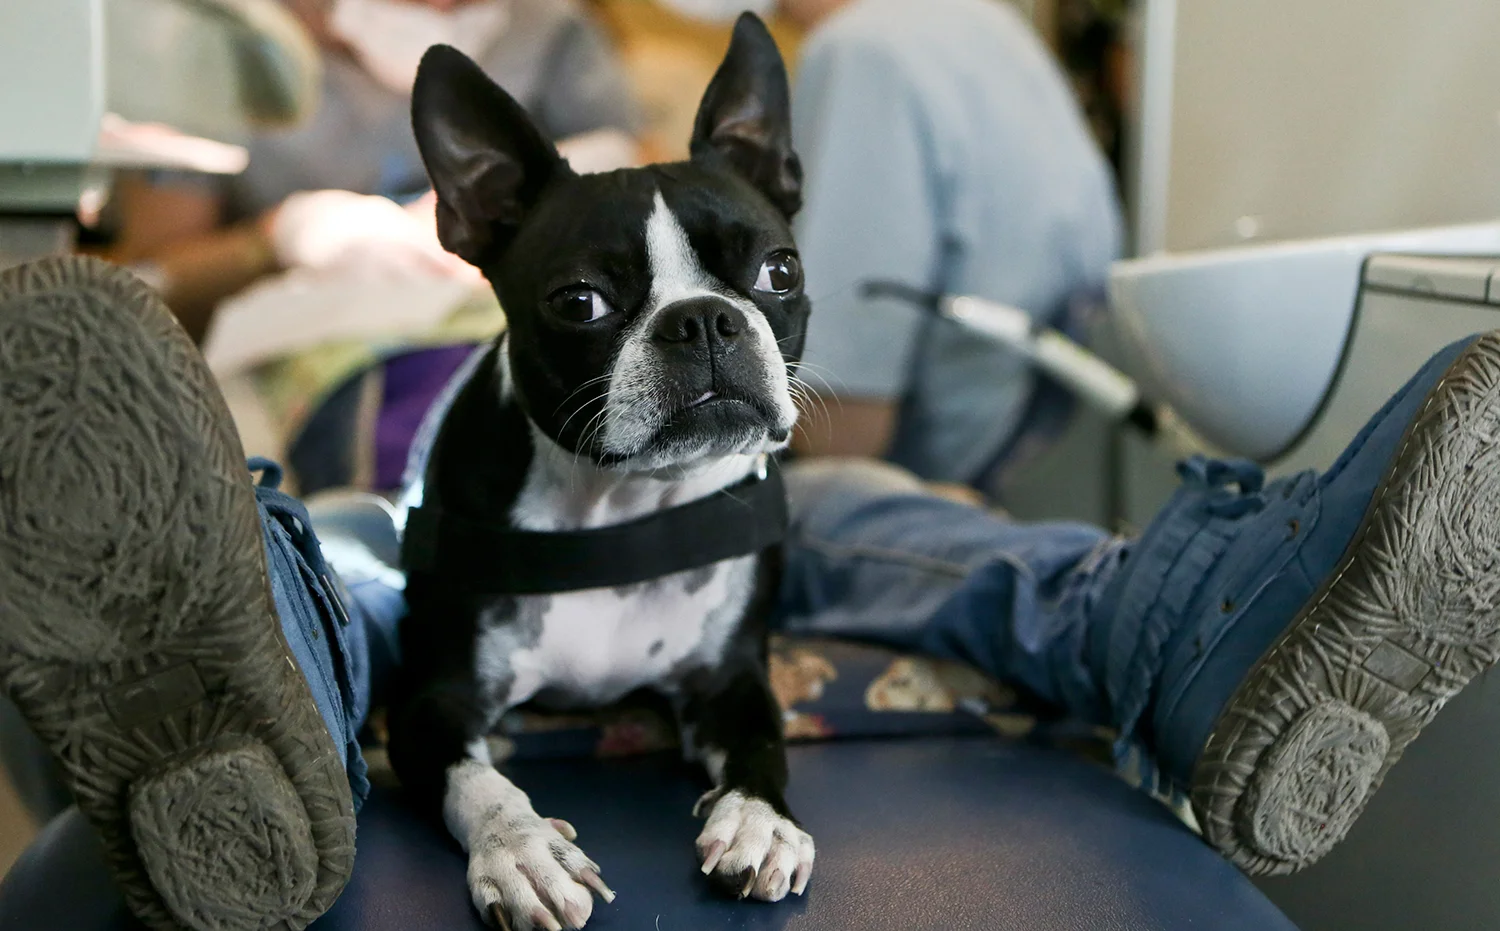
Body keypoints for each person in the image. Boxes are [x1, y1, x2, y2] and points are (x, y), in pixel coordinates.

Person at [5, 247, 1500, 922]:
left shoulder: (593, 78)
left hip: (722, 490)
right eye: (602, 283)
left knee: (864, 504)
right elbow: (171, 254)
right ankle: (223, 632)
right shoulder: (363, 192)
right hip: (410, 417)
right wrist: (290, 237)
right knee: (360, 548)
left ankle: (1187, 627)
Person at [105, 0, 643, 344]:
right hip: (304, 356)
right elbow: (147, 287)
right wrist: (281, 238)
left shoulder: (548, 33)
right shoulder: (212, 39)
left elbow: (643, 173)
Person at [773, 0, 1123, 487]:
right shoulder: (981, 19)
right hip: (1049, 442)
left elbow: (843, 424)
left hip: (941, 488)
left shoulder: (858, 54)